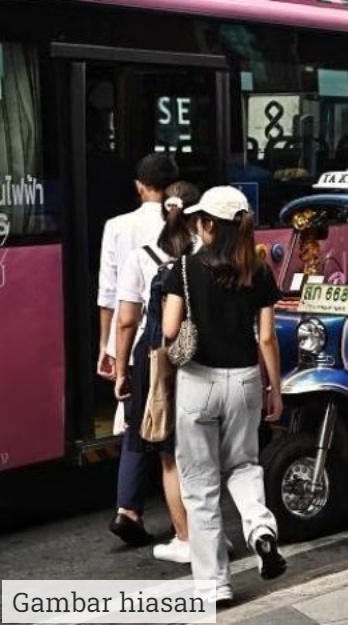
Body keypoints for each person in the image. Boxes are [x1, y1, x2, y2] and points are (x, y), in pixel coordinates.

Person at [162, 186, 286, 602]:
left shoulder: (183, 268)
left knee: (199, 486)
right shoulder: (260, 269)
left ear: (209, 225)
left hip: (198, 381)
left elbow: (168, 331)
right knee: (245, 465)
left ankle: (215, 584)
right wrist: (277, 390)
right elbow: (266, 337)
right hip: (246, 380)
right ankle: (260, 527)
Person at [113, 182, 200, 564]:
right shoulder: (205, 254)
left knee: (166, 452)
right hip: (198, 357)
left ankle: (185, 536)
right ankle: (205, 534)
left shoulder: (140, 257)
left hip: (153, 361)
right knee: (199, 452)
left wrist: (120, 370)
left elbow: (127, 320)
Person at [99, 152, 178, 546]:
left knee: (135, 423)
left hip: (136, 342)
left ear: (138, 185)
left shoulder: (116, 227)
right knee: (171, 428)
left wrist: (108, 347)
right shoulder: (185, 226)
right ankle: (187, 525)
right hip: (173, 342)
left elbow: (109, 295)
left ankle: (127, 508)